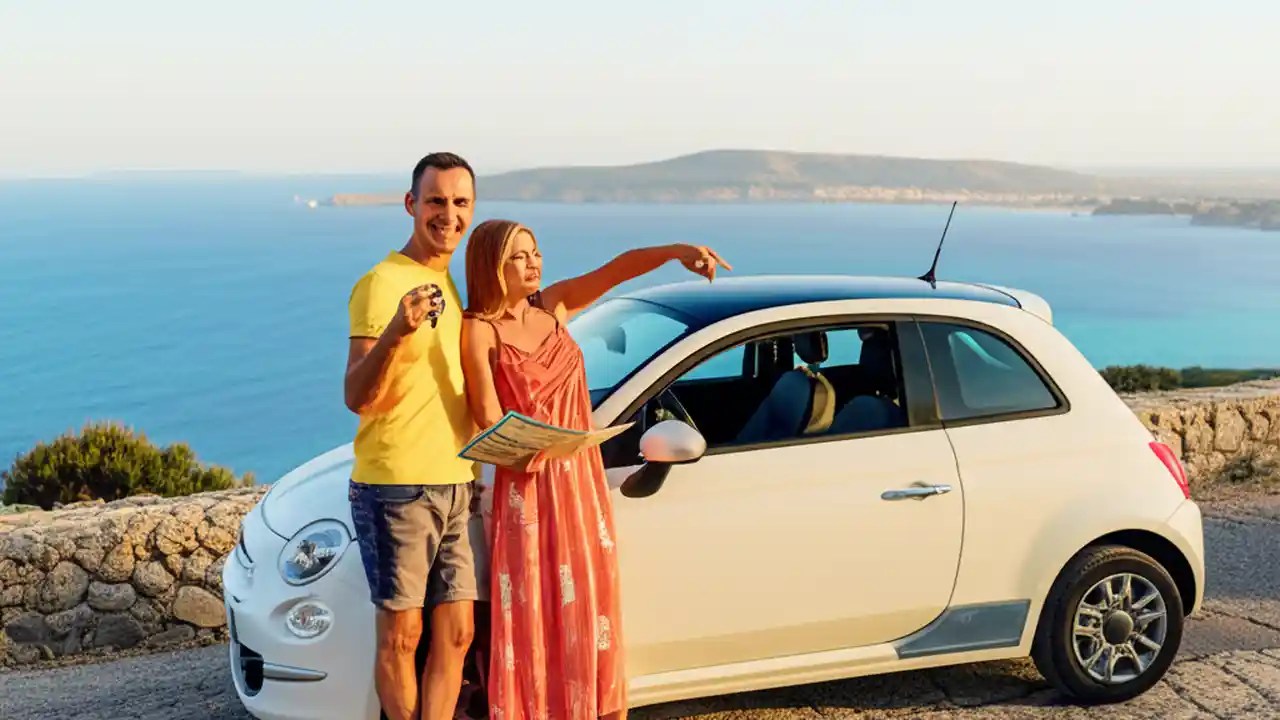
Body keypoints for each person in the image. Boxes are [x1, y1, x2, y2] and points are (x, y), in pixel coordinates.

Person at [459, 219, 730, 720]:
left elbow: (618, 270)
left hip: (581, 482)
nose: (534, 262)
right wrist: (534, 448)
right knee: (534, 608)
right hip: (529, 488)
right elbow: (486, 417)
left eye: (536, 251)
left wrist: (678, 249)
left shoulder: (554, 304)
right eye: (519, 256)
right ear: (491, 265)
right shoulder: (479, 329)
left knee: (588, 602)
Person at [344, 151, 487, 720]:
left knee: (455, 636)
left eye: (459, 203)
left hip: (457, 480)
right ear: (410, 205)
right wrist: (397, 332)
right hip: (397, 485)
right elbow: (357, 395)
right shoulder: (382, 285)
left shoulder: (448, 283)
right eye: (435, 201)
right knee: (401, 638)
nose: (447, 215)